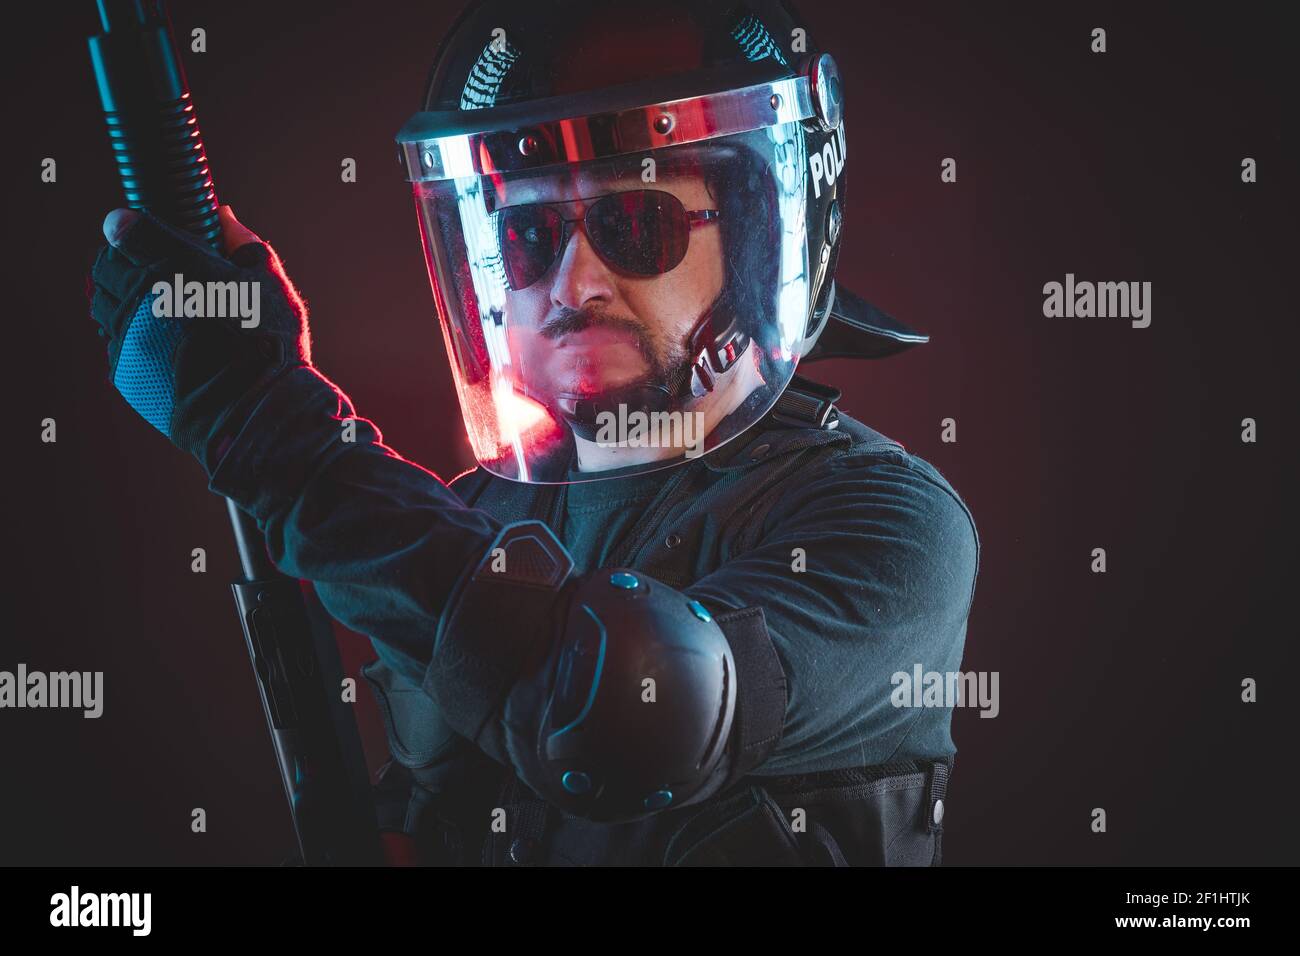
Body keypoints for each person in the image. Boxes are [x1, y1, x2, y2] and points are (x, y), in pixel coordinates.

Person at [86, 0, 979, 866]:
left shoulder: (888, 522)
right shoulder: (475, 514)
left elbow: (635, 713)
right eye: (528, 235)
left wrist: (270, 430)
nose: (572, 281)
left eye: (638, 223)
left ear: (753, 237)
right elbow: (426, 824)